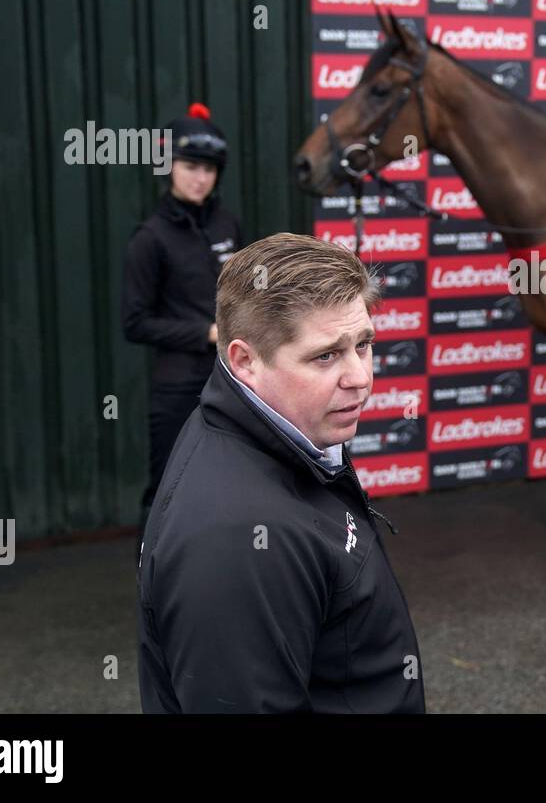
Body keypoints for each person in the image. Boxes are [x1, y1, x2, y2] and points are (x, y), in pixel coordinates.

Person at [136, 233, 425, 714]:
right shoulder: (237, 540)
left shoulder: (273, 424)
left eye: (364, 344)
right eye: (326, 355)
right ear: (244, 361)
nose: (360, 377)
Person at [122, 103, 242, 555]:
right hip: (177, 388)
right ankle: (150, 583)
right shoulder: (149, 239)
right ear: (168, 167)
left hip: (232, 379)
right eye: (190, 166)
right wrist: (205, 334)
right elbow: (134, 323)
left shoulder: (228, 223)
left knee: (232, 484)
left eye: (209, 169)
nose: (200, 178)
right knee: (167, 492)